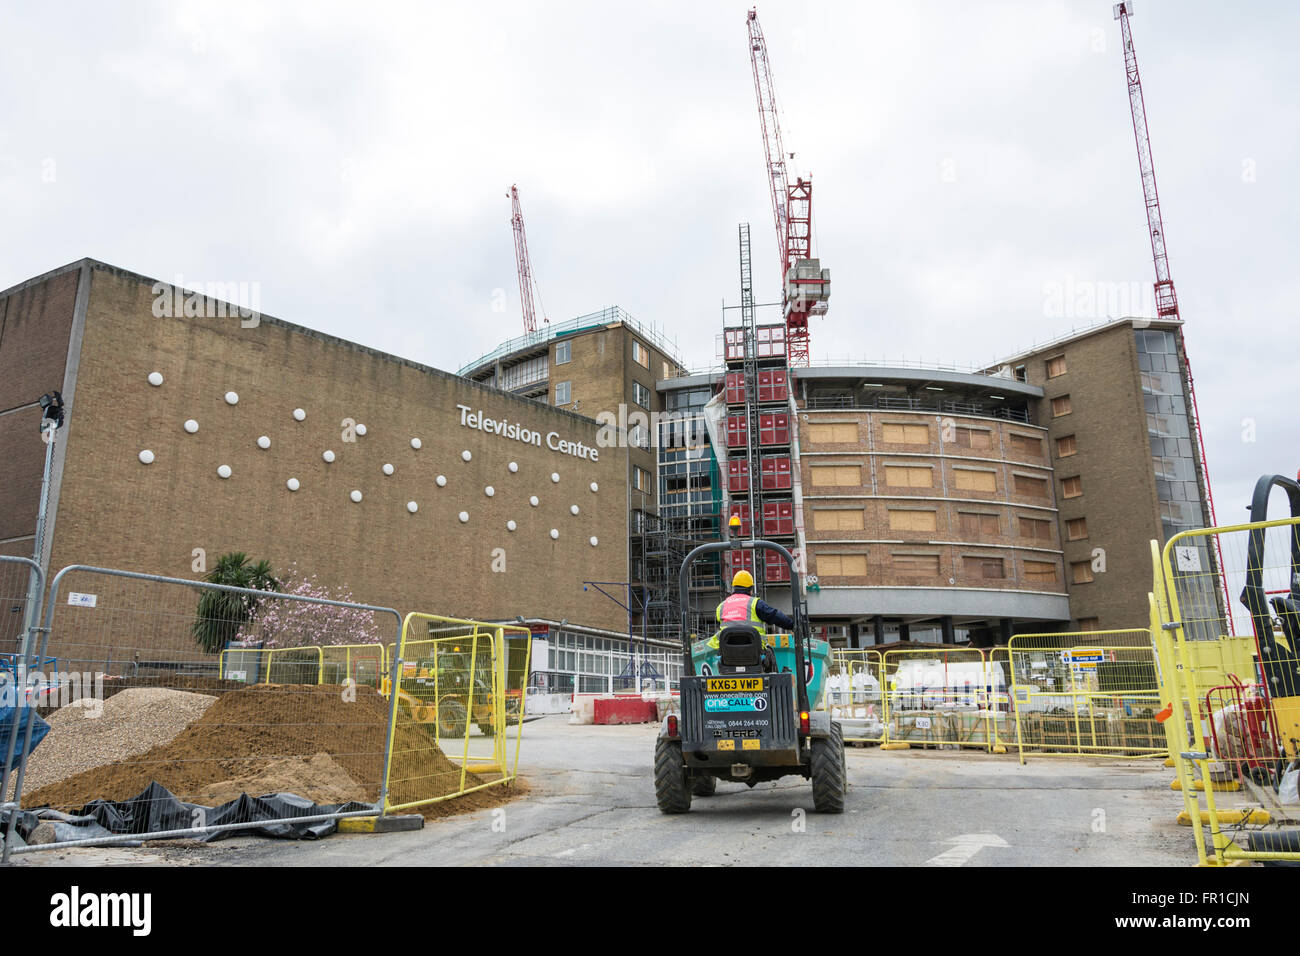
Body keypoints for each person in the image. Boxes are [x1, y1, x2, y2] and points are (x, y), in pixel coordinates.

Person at [715, 570, 794, 632]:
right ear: (751, 589)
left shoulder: (721, 607)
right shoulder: (755, 604)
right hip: (754, 650)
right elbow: (774, 616)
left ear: (734, 587)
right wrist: (792, 625)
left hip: (727, 650)